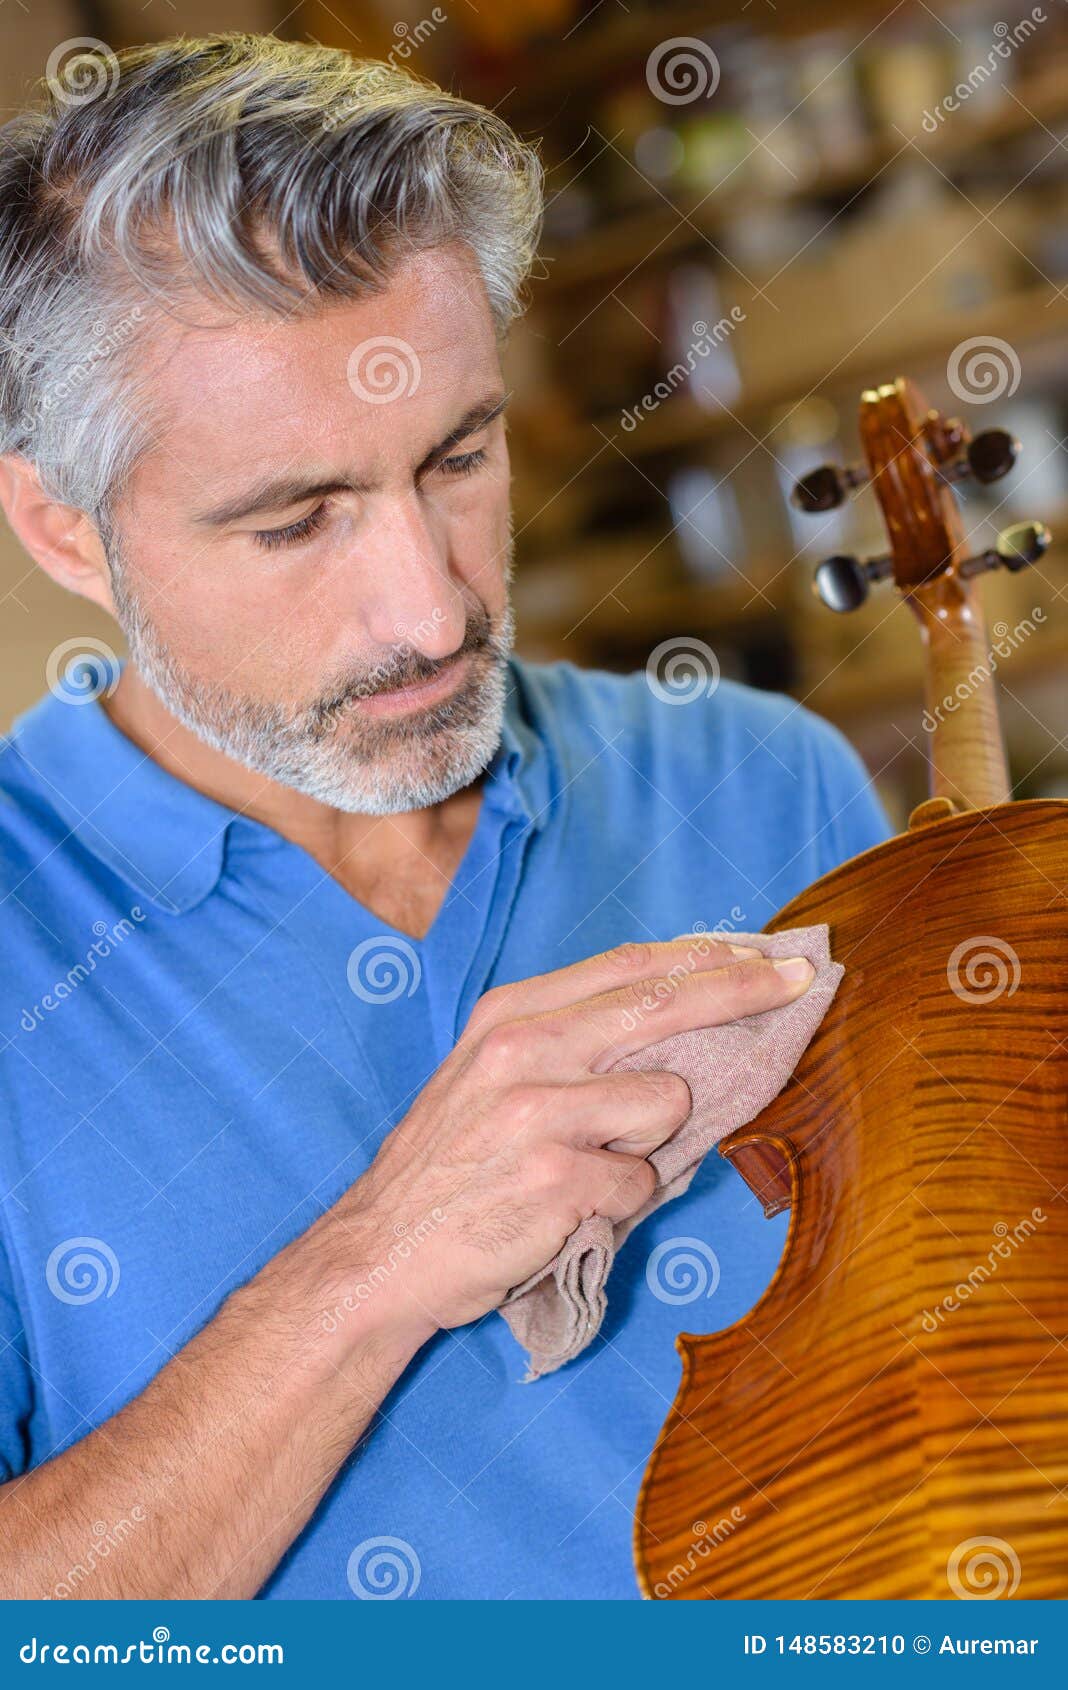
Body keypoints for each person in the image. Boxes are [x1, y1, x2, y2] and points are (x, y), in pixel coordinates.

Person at [0, 35, 892, 1599]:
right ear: (64, 528)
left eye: (456, 457)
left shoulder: (769, 781)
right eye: (297, 518)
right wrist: (378, 1261)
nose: (429, 612)